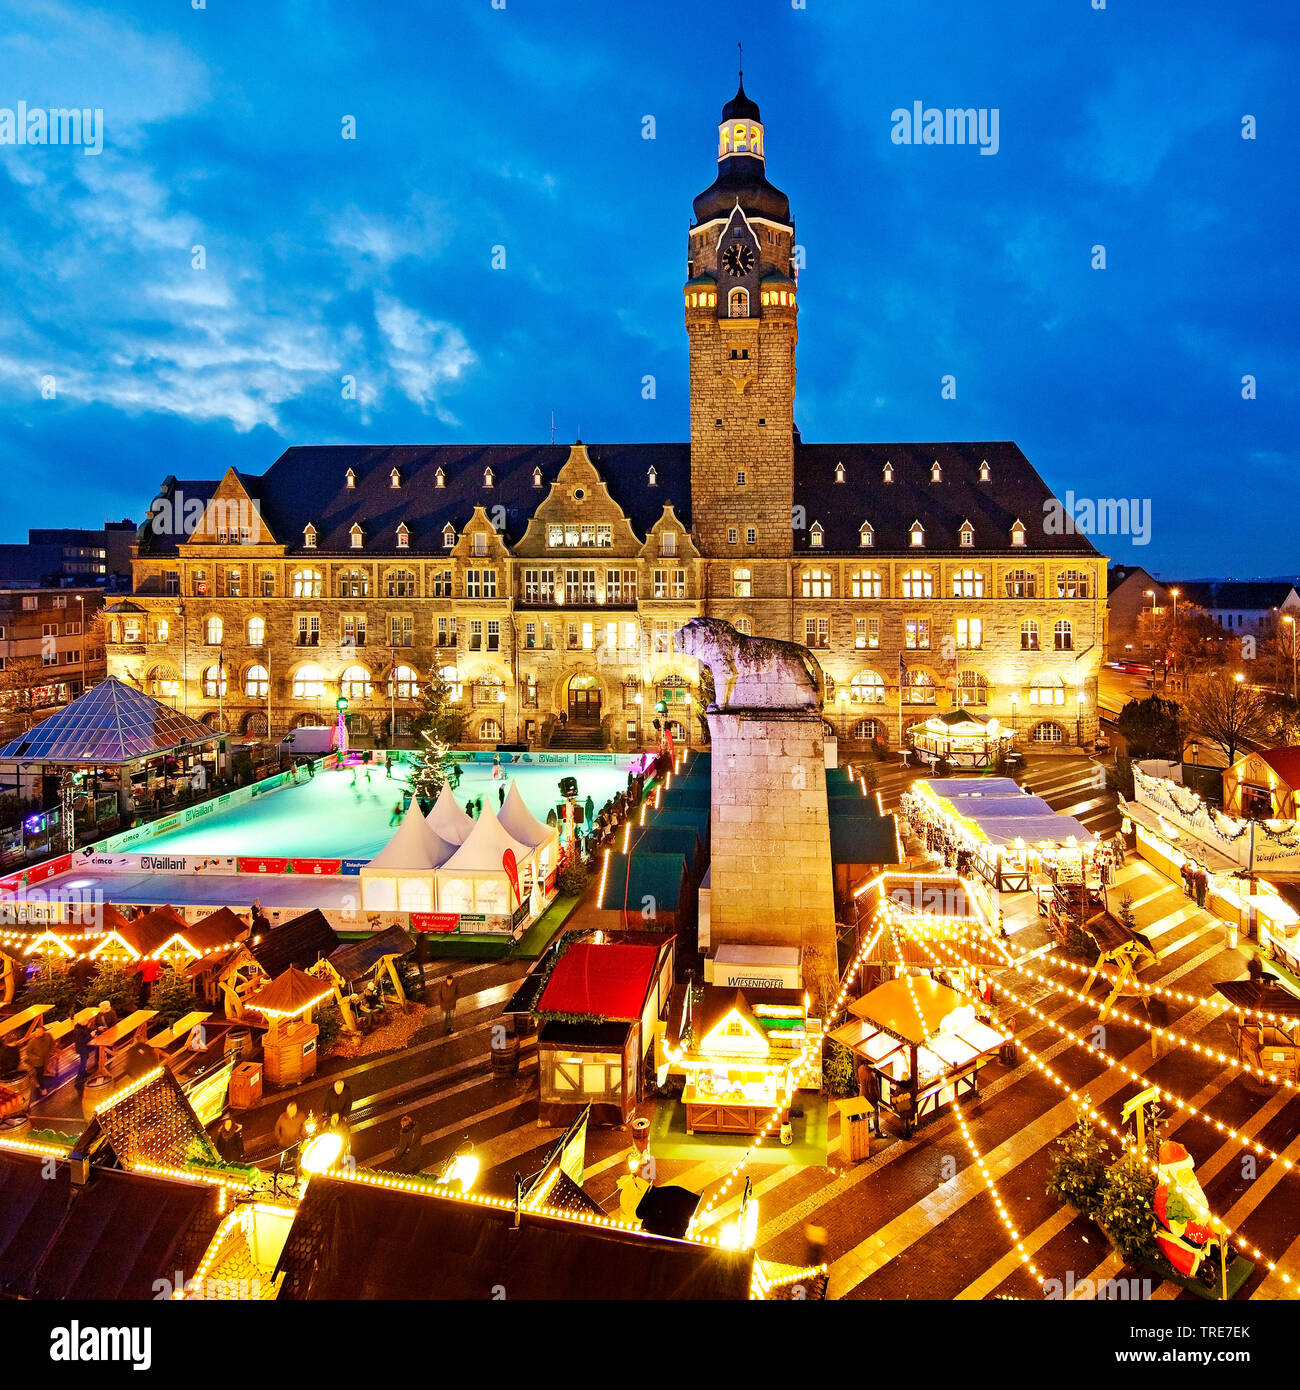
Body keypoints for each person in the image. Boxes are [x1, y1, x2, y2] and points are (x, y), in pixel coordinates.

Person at [20, 1022, 54, 1102]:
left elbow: (52, 1043)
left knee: (40, 1073)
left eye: (39, 1032)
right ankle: (43, 1088)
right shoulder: (32, 1042)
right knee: (40, 1074)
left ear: (43, 1032)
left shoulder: (48, 1036)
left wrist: (50, 1051)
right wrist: (35, 1057)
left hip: (45, 1060)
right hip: (37, 1062)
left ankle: (37, 1082)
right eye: (36, 1032)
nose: (37, 1033)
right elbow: (28, 1052)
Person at [273, 1100, 307, 1172]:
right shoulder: (282, 1117)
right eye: (291, 1111)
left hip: (295, 1143)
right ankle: (284, 1170)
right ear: (287, 1110)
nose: (292, 1112)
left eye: (294, 1110)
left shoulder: (300, 1116)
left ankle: (296, 1171)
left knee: (296, 1158)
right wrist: (279, 1138)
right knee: (284, 1159)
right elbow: (277, 1128)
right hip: (284, 1143)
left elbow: (304, 1124)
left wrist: (302, 1135)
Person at [72, 1017, 94, 1095]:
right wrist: (91, 1035)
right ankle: (78, 1079)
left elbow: (87, 1031)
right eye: (86, 1022)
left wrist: (95, 1029)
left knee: (84, 1060)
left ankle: (84, 1073)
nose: (87, 1023)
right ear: (83, 1023)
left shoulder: (81, 1027)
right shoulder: (78, 1031)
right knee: (83, 1063)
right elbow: (83, 1040)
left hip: (83, 1048)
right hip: (82, 1048)